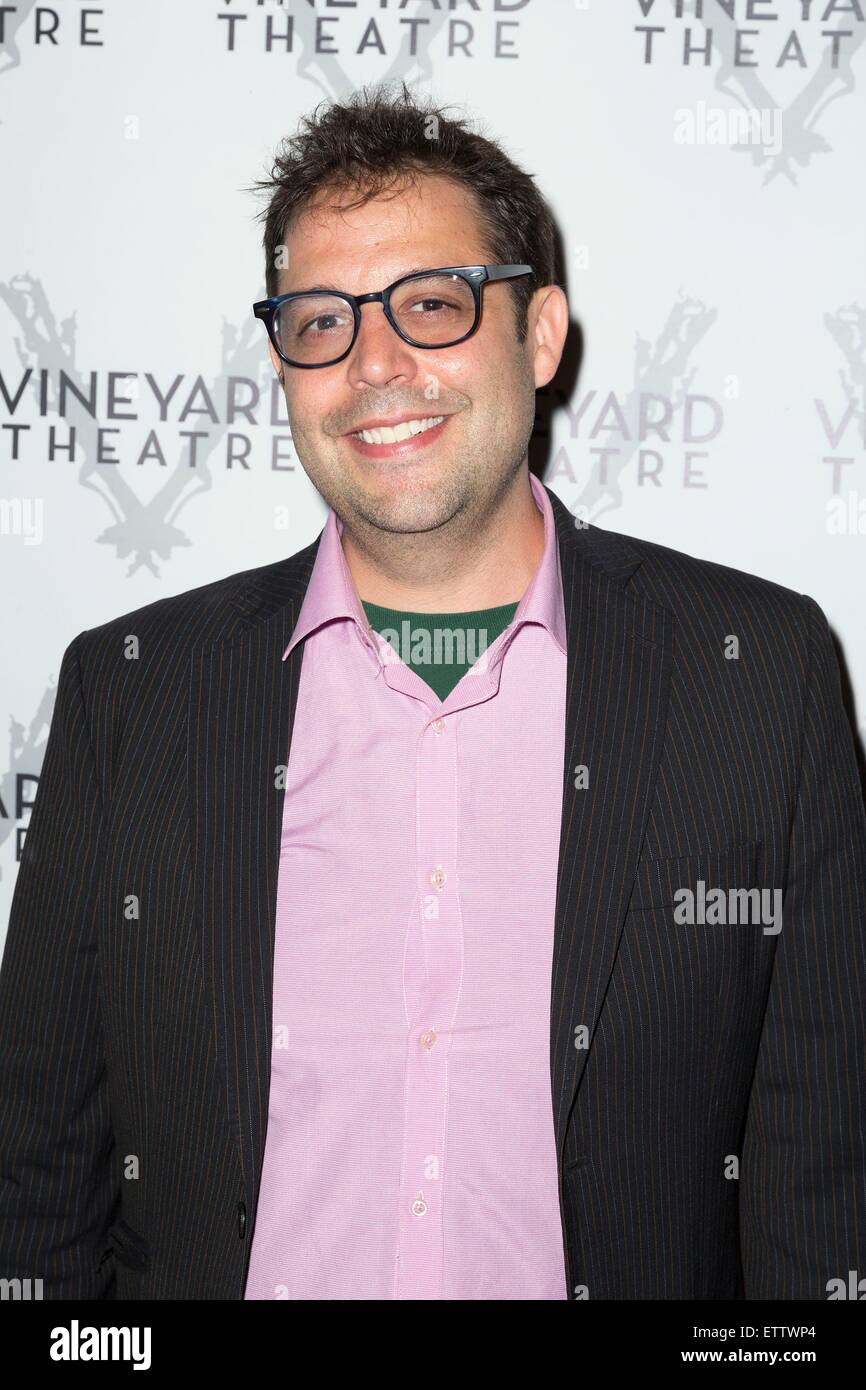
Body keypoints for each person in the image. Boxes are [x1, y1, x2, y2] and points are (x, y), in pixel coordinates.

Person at [1, 83, 865, 1301]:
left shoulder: (757, 674)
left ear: (542, 333)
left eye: (430, 304)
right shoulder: (132, 694)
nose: (372, 363)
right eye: (319, 320)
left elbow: (822, 1181)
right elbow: (36, 1171)